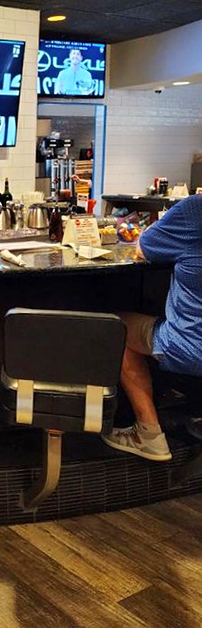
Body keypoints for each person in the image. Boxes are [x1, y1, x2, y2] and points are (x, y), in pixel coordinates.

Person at [102, 195, 202, 462]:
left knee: (115, 327)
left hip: (193, 349)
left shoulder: (195, 210)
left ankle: (149, 434)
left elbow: (143, 248)